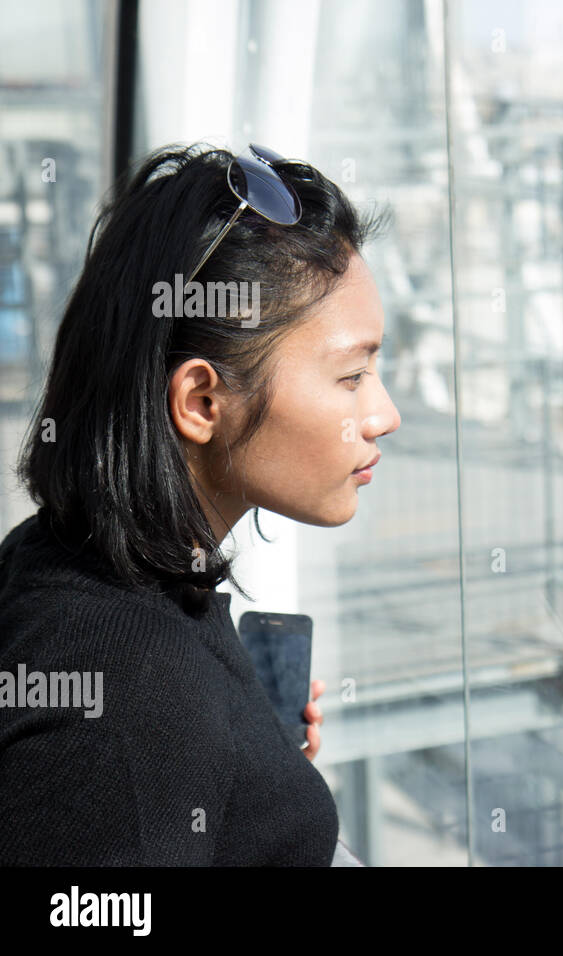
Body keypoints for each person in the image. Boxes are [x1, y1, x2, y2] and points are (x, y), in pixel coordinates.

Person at [0, 141, 400, 865]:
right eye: (353, 376)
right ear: (202, 399)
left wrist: (248, 756)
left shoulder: (64, 557)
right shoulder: (132, 705)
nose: (383, 414)